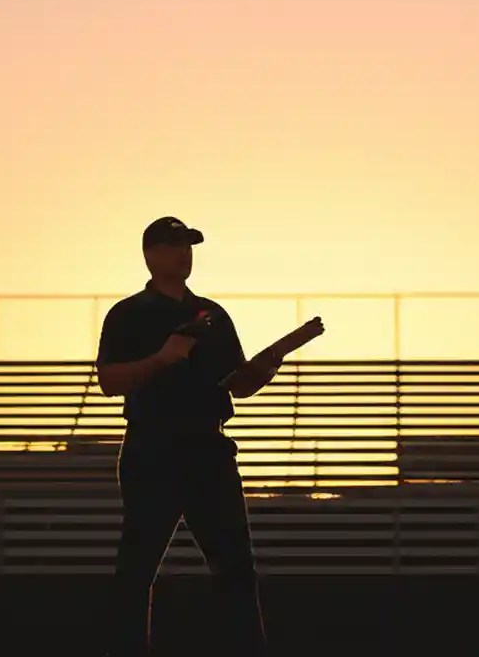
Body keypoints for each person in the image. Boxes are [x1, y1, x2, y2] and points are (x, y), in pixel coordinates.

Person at [95, 216, 284, 657]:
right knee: (138, 567)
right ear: (151, 254)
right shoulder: (129, 313)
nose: (185, 253)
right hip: (154, 447)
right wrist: (162, 359)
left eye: (189, 245)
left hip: (209, 448)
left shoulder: (214, 315)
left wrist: (262, 370)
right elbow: (108, 380)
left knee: (236, 567)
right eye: (174, 244)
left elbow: (235, 384)